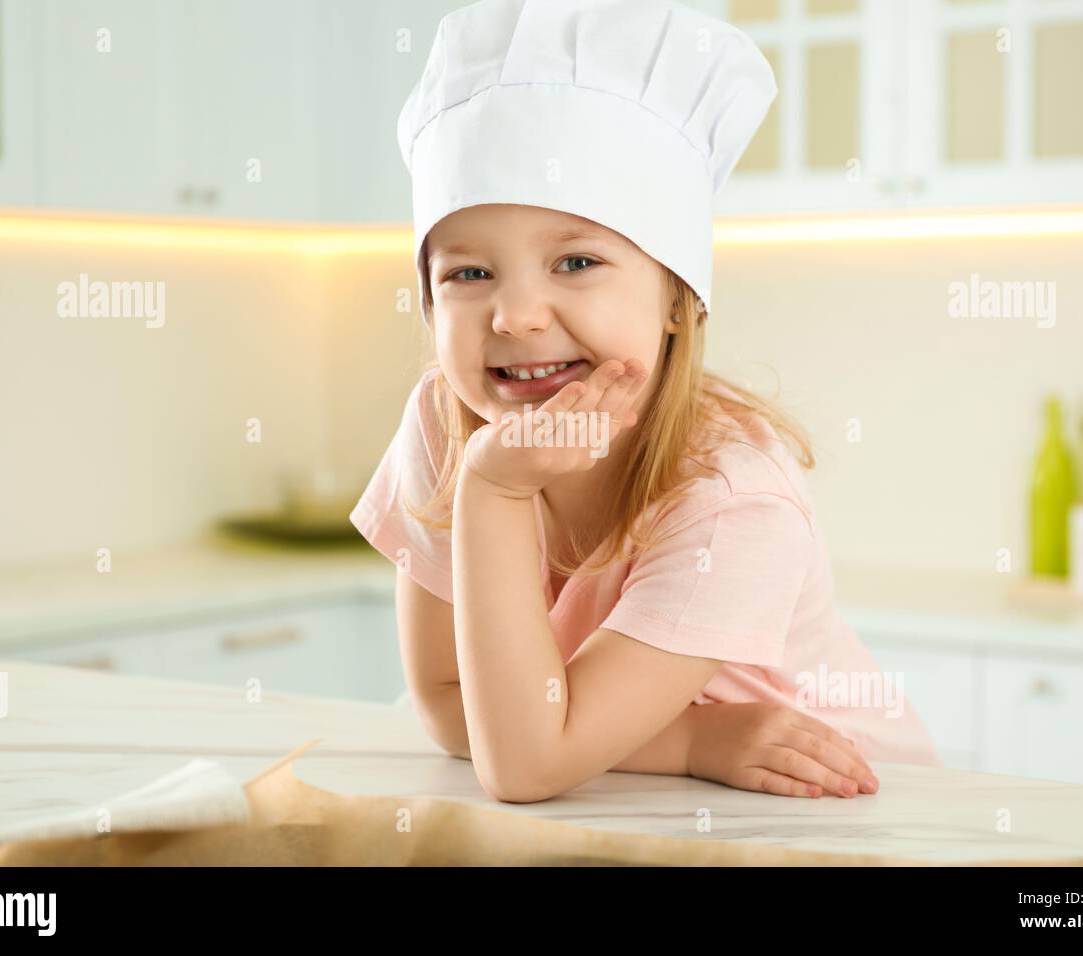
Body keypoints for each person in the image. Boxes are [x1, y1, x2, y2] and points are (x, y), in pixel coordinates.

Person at [351, 0, 941, 804]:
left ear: (676, 300)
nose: (516, 314)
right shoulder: (441, 426)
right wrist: (692, 739)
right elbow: (454, 706)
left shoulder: (732, 501)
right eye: (468, 273)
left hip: (833, 813)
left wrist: (495, 490)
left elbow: (523, 765)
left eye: (576, 262)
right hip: (652, 801)